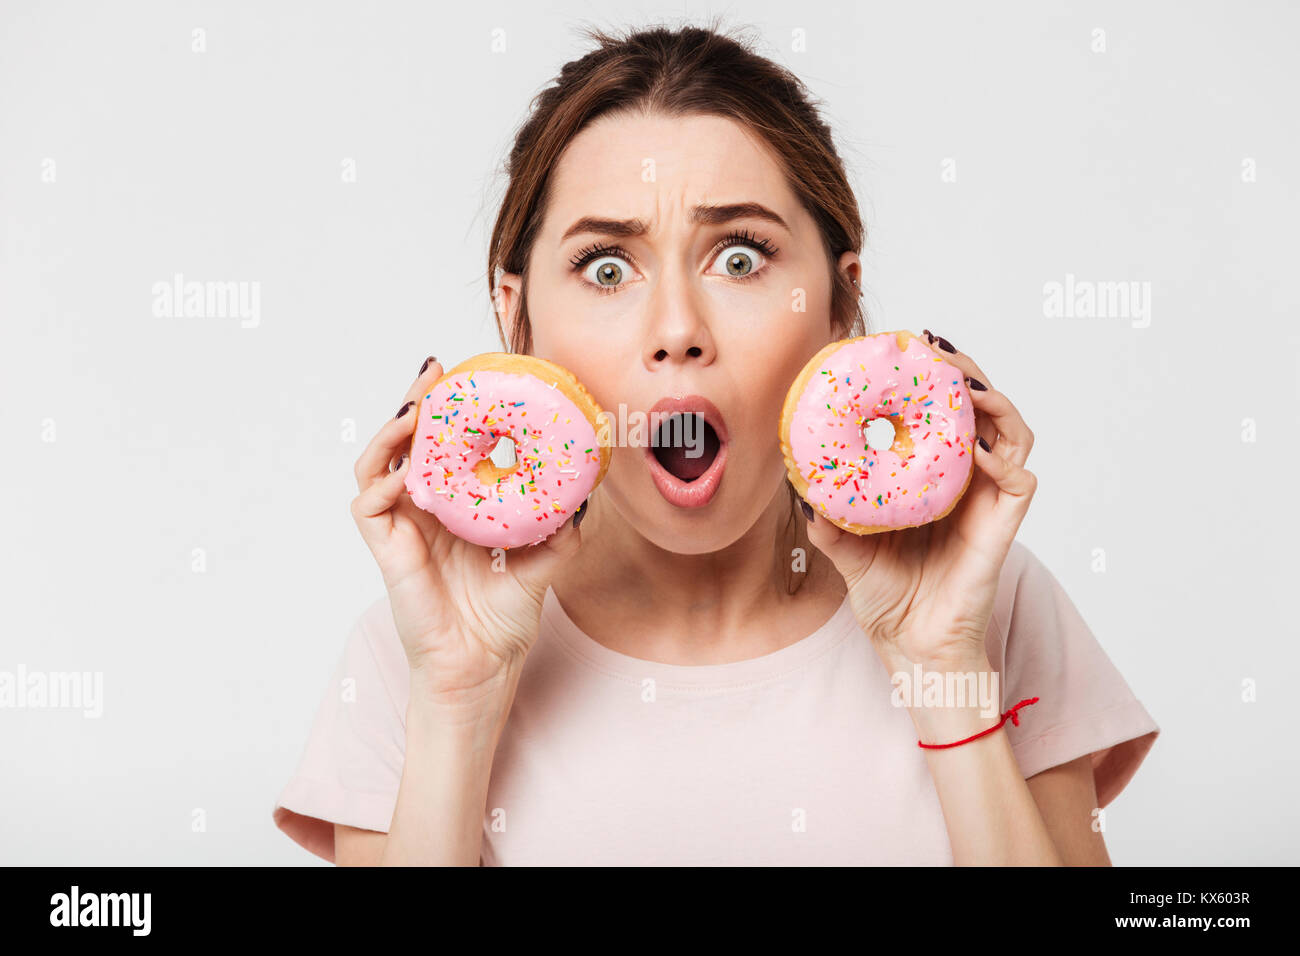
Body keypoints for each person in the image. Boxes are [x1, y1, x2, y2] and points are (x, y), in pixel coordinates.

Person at [273, 22, 1158, 865]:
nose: (677, 331)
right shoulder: (420, 642)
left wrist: (940, 667)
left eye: (740, 258)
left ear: (841, 303)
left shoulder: (987, 604)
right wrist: (458, 705)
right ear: (518, 313)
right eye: (607, 268)